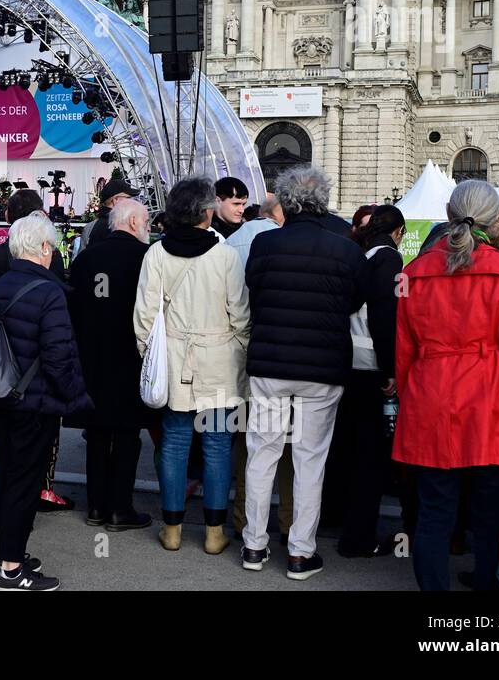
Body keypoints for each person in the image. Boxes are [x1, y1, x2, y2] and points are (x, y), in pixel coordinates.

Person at [394, 180, 499, 591]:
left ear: (448, 212)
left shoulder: (413, 272)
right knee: (491, 515)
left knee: (433, 514)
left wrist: (410, 398)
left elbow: (404, 352)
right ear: (493, 217)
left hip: (431, 398)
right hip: (492, 403)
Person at [241, 164, 365, 581]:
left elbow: (255, 292)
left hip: (271, 364)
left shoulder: (265, 246)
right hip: (322, 368)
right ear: (322, 201)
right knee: (310, 460)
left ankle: (254, 545)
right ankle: (300, 552)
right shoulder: (346, 250)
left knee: (263, 453)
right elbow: (354, 302)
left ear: (286, 202)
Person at [134, 177, 250, 555]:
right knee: (217, 446)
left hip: (174, 364)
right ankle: (215, 533)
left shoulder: (155, 254)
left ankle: (172, 529)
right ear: (205, 212)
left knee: (174, 443)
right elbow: (241, 316)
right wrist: (239, 356)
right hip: (219, 363)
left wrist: (152, 359)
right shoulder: (225, 255)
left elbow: (145, 319)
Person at [0, 212, 91, 590]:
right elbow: (59, 356)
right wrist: (77, 397)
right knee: (25, 484)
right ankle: (11, 569)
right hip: (35, 404)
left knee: (10, 477)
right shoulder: (50, 292)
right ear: (44, 248)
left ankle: (13, 553)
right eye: (53, 247)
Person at [0, 188, 73, 519]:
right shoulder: (51, 266)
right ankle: (22, 512)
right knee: (32, 450)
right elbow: (58, 330)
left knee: (5, 446)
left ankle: (6, 510)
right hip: (34, 376)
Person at [69, 198, 154, 531]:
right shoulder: (146, 258)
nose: (148, 227)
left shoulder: (86, 258)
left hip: (92, 362)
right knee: (129, 435)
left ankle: (95, 506)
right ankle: (120, 508)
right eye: (146, 221)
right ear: (133, 222)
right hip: (131, 361)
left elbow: (73, 309)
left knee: (98, 434)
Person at [333, 204, 404, 558]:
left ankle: (339, 521)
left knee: (345, 448)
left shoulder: (359, 254)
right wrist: (391, 369)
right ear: (398, 232)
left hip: (347, 361)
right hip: (371, 365)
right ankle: (359, 536)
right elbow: (384, 317)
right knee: (369, 458)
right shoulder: (389, 258)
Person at [225, 192, 292, 539]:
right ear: (277, 214)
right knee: (289, 446)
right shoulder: (281, 243)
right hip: (281, 355)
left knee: (249, 443)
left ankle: (244, 523)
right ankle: (288, 523)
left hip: (243, 356)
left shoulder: (230, 243)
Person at [78, 178, 135, 254]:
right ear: (116, 200)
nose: (132, 202)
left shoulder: (90, 227)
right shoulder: (124, 227)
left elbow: (80, 261)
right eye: (128, 198)